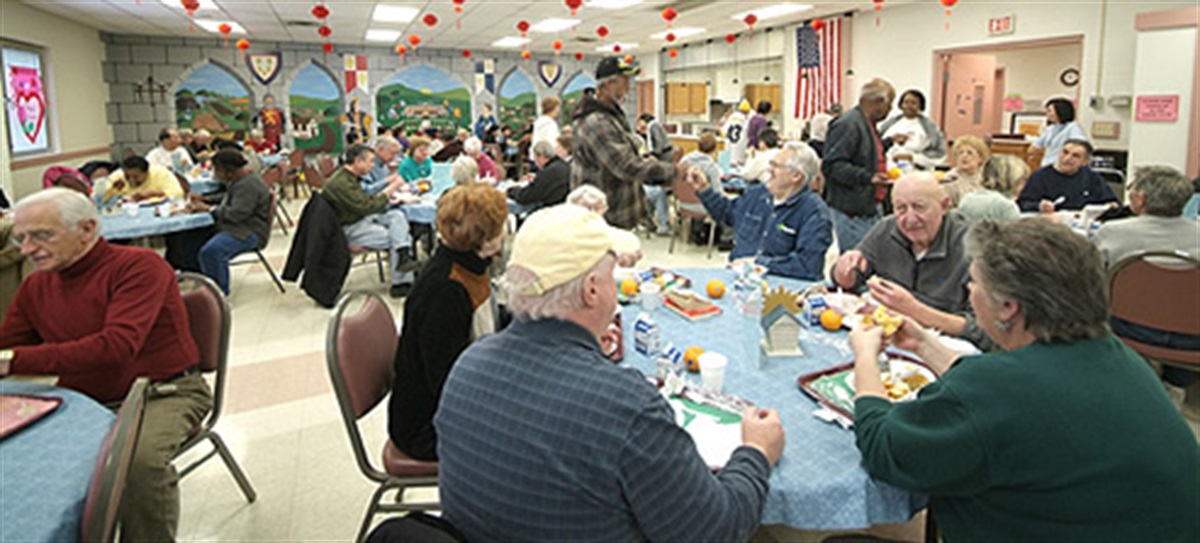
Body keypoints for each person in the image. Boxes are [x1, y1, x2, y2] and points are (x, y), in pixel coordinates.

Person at [435, 203, 784, 541]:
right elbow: (716, 530)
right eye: (611, 276)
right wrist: (756, 452)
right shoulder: (628, 406)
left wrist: (584, 351)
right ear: (591, 290)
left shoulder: (468, 364)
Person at [849, 218, 1199, 541]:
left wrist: (865, 356)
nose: (970, 289)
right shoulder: (1121, 358)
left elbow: (885, 447)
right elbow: (1002, 395)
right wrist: (924, 343)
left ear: (1008, 307)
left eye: (974, 283)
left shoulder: (993, 388)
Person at [1, 188, 214, 542]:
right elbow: (9, 340)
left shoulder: (139, 267)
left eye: (41, 236)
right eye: (20, 238)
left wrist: (11, 362)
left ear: (87, 229)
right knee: (28, 464)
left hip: (164, 392)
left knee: (136, 465)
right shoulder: (36, 285)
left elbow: (116, 348)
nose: (26, 250)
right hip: (83, 399)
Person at [387, 184, 508, 461]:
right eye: (499, 228)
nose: (504, 233)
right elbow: (447, 381)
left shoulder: (469, 265)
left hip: (447, 403)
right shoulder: (446, 289)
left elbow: (482, 314)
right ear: (484, 238)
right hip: (428, 426)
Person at [832, 173, 985, 347]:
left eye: (919, 207)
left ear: (944, 206)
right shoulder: (886, 229)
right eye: (901, 209)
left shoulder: (974, 247)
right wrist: (845, 272)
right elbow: (847, 280)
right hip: (888, 340)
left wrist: (913, 310)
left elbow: (984, 331)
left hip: (946, 350)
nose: (910, 219)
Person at [1093, 164, 1200, 409]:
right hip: (1193, 339)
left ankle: (1136, 382)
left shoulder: (1113, 233)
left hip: (1129, 330)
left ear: (1141, 199)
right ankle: (1176, 386)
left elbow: (1091, 281)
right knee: (1180, 313)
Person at [688, 141, 832, 280]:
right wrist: (704, 189)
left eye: (776, 166)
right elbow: (726, 213)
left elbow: (808, 266)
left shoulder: (815, 213)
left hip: (780, 290)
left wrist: (758, 263)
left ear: (796, 176)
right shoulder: (756, 194)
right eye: (771, 164)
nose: (769, 170)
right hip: (738, 282)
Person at [571, 56, 675, 229]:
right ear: (608, 84)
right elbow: (625, 166)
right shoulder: (596, 121)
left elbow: (626, 149)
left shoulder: (613, 114)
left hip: (617, 213)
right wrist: (674, 173)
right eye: (624, 81)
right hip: (602, 216)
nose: (627, 87)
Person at [324, 144, 417, 298]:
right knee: (400, 238)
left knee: (397, 215)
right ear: (359, 161)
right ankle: (400, 283)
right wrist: (391, 188)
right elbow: (367, 206)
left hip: (361, 218)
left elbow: (365, 199)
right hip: (351, 227)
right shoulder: (342, 184)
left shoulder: (350, 177)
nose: (373, 165)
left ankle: (403, 256)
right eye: (371, 161)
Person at [184, 149, 272, 295]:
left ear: (228, 171)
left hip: (248, 232)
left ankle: (218, 295)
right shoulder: (240, 180)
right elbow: (230, 197)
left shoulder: (248, 185)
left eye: (216, 170)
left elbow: (236, 214)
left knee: (212, 251)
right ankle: (203, 282)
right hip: (238, 227)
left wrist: (209, 209)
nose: (215, 174)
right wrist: (206, 199)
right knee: (193, 238)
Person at [823, 78, 896, 252]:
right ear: (879, 102)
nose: (890, 110)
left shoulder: (867, 124)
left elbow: (863, 154)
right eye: (890, 104)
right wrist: (868, 177)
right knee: (857, 264)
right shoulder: (848, 124)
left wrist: (888, 143)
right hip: (852, 211)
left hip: (869, 206)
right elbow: (833, 165)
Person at [1017, 139, 1117, 212]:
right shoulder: (1040, 176)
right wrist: (1039, 206)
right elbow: (1023, 204)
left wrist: (1110, 206)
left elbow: (1111, 202)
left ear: (1085, 161)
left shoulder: (1092, 177)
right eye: (1065, 152)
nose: (1067, 158)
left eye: (1075, 156)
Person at [878, 90, 947, 169]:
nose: (909, 106)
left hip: (916, 171)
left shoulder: (929, 127)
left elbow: (938, 153)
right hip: (887, 168)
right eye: (906, 102)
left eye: (913, 103)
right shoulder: (890, 123)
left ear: (920, 106)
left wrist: (912, 157)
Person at [635, 113, 676, 234]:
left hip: (662, 163)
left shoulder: (653, 126)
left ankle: (648, 219)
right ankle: (654, 220)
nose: (638, 127)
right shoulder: (652, 128)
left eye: (640, 124)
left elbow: (657, 147)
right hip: (664, 165)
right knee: (657, 191)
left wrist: (652, 156)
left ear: (644, 120)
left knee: (655, 188)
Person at [957, 154, 1027, 223]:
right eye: (1021, 181)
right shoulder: (1007, 207)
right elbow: (1013, 233)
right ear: (1012, 180)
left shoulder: (967, 199)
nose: (1023, 186)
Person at [508, 140, 570, 211]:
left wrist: (512, 191)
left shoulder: (548, 172)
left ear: (541, 157)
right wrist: (537, 178)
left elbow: (526, 196)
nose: (536, 164)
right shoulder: (563, 166)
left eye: (536, 160)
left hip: (551, 210)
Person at [1030, 97, 1087, 168]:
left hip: (1063, 167)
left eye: (1050, 111)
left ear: (1060, 111)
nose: (1047, 114)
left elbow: (1080, 147)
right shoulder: (1051, 128)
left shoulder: (1073, 128)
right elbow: (1035, 146)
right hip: (1047, 166)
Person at [104, 155, 185, 202]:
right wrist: (112, 189)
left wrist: (158, 194)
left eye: (136, 177)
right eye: (127, 176)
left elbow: (178, 194)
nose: (131, 180)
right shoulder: (118, 176)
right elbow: (98, 198)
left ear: (147, 172)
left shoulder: (160, 173)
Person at [941, 135, 988, 207]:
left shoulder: (988, 178)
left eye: (969, 153)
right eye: (960, 153)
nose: (964, 156)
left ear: (980, 158)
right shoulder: (950, 179)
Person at [530, 96, 561, 161]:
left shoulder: (540, 121)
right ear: (553, 108)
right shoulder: (548, 123)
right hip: (545, 158)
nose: (558, 110)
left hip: (537, 157)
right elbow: (551, 142)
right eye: (557, 107)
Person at [724, 99, 752, 166]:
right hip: (740, 151)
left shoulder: (731, 117)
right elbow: (748, 133)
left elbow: (724, 131)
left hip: (728, 150)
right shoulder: (746, 119)